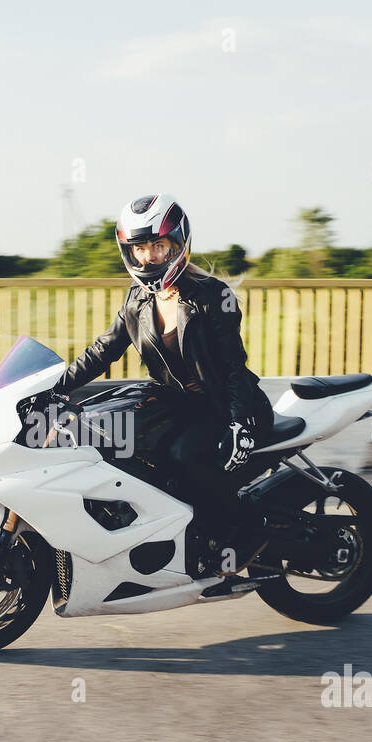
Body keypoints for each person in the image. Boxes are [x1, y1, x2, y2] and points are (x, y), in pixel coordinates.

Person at [53, 193, 274, 574]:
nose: (148, 257)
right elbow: (103, 351)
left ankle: (246, 530)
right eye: (140, 248)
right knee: (115, 433)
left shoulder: (212, 296)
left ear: (177, 245)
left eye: (158, 245)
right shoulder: (137, 300)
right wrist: (53, 387)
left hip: (227, 406)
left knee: (184, 455)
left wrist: (241, 424)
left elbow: (234, 367)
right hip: (179, 402)